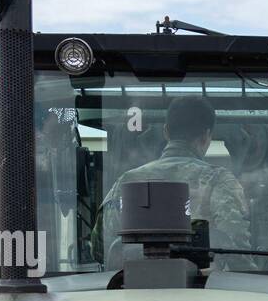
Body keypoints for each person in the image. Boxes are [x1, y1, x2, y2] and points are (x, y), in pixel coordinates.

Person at [92, 95, 252, 268]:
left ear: (166, 131)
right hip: (203, 290)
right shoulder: (219, 181)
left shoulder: (128, 181)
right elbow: (237, 251)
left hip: (132, 289)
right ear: (206, 136)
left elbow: (101, 248)